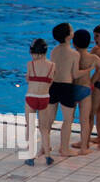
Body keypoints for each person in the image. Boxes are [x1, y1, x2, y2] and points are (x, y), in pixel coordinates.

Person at [48, 23, 80, 158]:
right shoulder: (74, 54)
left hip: (53, 86)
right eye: (72, 29)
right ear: (69, 36)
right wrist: (90, 69)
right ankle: (64, 148)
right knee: (68, 120)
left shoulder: (54, 51)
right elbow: (75, 74)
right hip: (66, 87)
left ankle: (45, 145)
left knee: (49, 119)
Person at [22, 38, 55, 166]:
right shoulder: (52, 65)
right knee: (44, 128)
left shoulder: (30, 64)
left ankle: (30, 157)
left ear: (36, 53)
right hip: (44, 98)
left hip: (31, 97)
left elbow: (27, 79)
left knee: (30, 127)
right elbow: (50, 81)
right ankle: (48, 156)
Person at [69, 29, 95, 154]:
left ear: (74, 43)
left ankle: (65, 145)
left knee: (69, 119)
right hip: (85, 89)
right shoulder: (92, 57)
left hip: (72, 89)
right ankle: (84, 147)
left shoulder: (73, 55)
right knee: (84, 121)